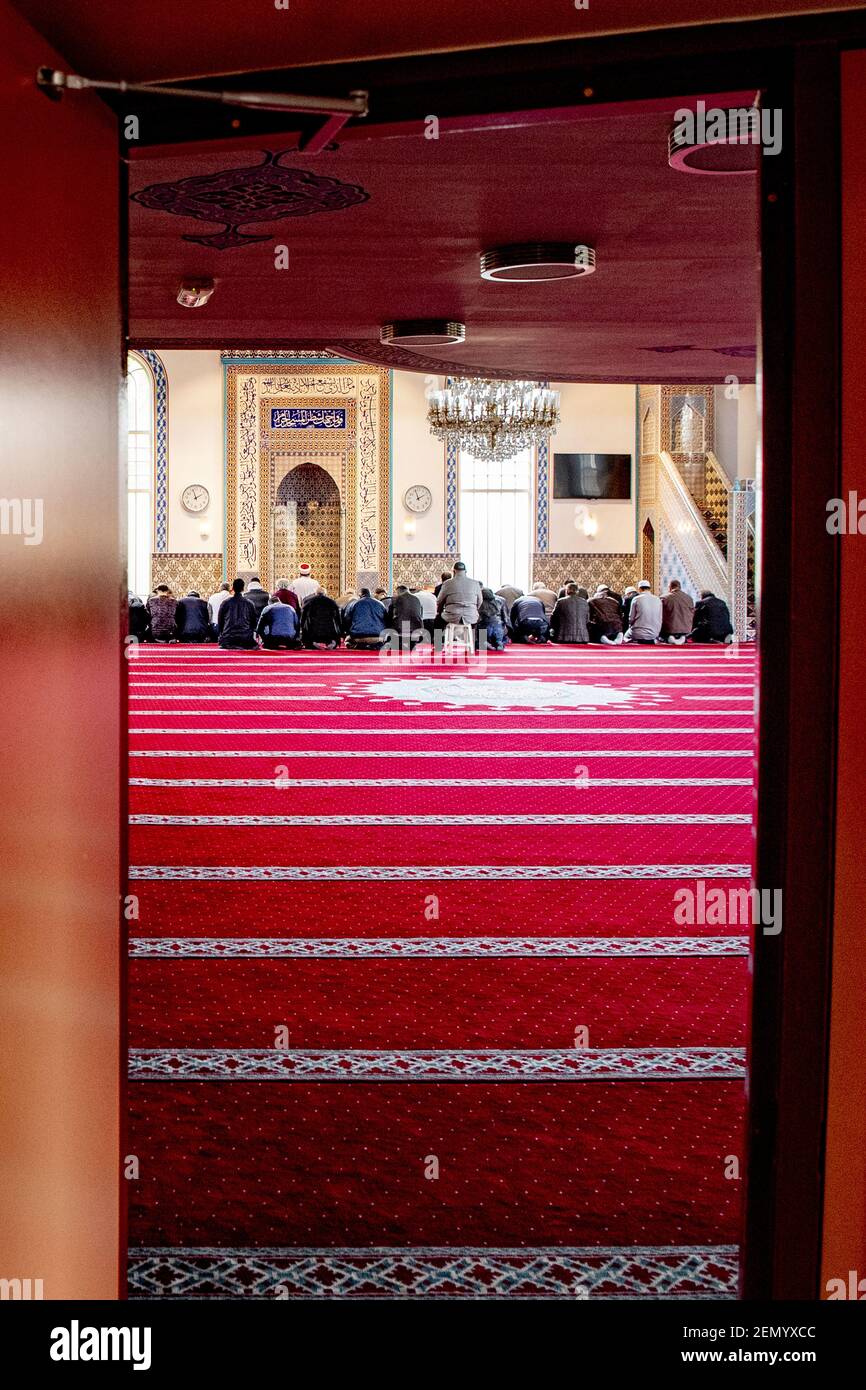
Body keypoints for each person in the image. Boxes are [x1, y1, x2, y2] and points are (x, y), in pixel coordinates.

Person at [437, 560, 482, 628]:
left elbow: (439, 601)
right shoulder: (475, 583)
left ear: (454, 571)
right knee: (480, 626)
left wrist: (439, 611)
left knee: (438, 621)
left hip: (452, 616)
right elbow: (480, 601)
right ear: (465, 571)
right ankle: (474, 638)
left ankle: (438, 638)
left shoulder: (447, 583)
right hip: (471, 617)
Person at [217, 577, 258, 650]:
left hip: (229, 638)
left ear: (232, 588)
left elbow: (220, 622)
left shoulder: (225, 603)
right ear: (243, 589)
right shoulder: (249, 603)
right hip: (245, 638)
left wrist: (222, 634)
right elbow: (254, 622)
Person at [625, 579, 663, 644]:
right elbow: (660, 618)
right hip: (654, 634)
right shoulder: (658, 599)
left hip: (638, 633)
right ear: (649, 588)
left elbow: (631, 619)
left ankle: (633, 640)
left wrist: (630, 626)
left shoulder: (636, 599)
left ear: (639, 589)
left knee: (625, 636)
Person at [660, 579, 695, 645]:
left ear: (670, 587)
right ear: (680, 587)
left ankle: (670, 638)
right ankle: (682, 638)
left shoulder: (664, 598)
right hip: (686, 630)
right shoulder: (689, 598)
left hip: (669, 630)